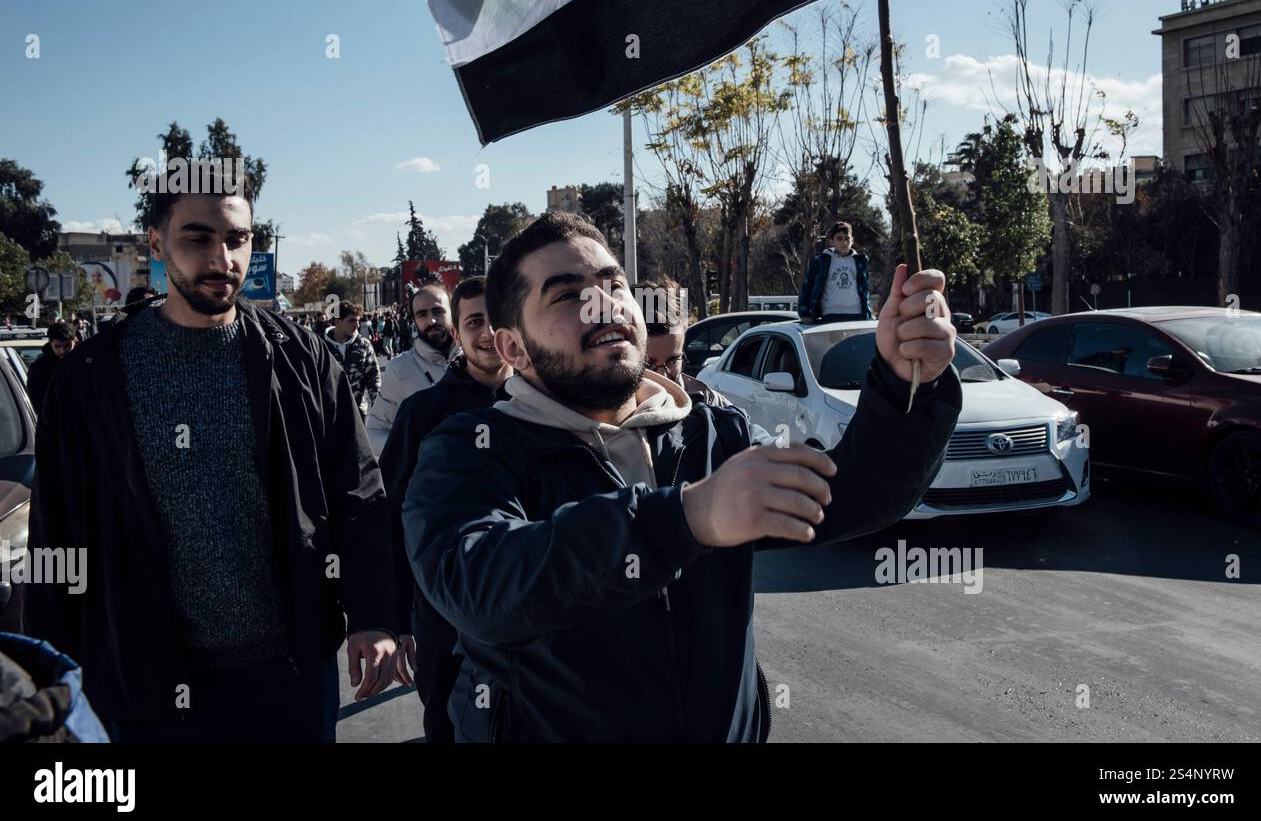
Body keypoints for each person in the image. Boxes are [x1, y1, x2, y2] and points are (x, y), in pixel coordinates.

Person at [402, 212, 960, 742]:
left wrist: (908, 383)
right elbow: (478, 583)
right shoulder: (469, 449)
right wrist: (686, 517)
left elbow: (850, 496)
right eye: (568, 295)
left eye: (614, 285)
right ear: (514, 349)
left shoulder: (713, 433)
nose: (604, 306)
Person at [25, 165, 398, 742]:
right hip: (146, 684)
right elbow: (58, 533)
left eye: (237, 239)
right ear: (156, 243)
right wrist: (48, 672)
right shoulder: (88, 379)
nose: (222, 257)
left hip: (289, 675)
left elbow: (357, 490)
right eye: (198, 237)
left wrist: (374, 615)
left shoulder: (300, 360)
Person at [380, 276, 511, 742]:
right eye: (475, 321)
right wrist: (395, 622)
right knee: (447, 727)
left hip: (531, 614)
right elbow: (390, 518)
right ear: (457, 333)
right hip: (442, 620)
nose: (489, 332)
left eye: (498, 318)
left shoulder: (551, 406)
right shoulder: (422, 413)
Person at [366, 283, 455, 454]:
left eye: (438, 311)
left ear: (453, 313)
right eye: (422, 315)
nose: (431, 321)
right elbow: (373, 433)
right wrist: (417, 452)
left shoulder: (476, 359)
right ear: (414, 320)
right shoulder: (400, 369)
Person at [636, 277, 730, 408]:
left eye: (672, 361)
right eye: (648, 364)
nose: (663, 376)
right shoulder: (604, 416)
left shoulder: (709, 403)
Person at [797, 221, 875, 324]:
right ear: (831, 242)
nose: (844, 242)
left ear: (852, 240)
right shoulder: (821, 261)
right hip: (830, 314)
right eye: (839, 238)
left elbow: (865, 290)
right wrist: (804, 314)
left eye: (847, 238)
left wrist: (869, 313)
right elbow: (807, 287)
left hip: (856, 314)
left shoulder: (860, 262)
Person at [323, 301, 382, 417]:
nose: (357, 325)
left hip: (358, 412)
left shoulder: (364, 345)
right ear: (337, 321)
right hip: (328, 415)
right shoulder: (320, 346)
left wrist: (379, 410)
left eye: (358, 321)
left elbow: (374, 379)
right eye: (352, 321)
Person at [25, 322, 78, 412]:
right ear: (50, 343)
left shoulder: (85, 362)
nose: (62, 351)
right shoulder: (39, 368)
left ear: (74, 340)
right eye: (57, 346)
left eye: (67, 345)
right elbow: (39, 405)